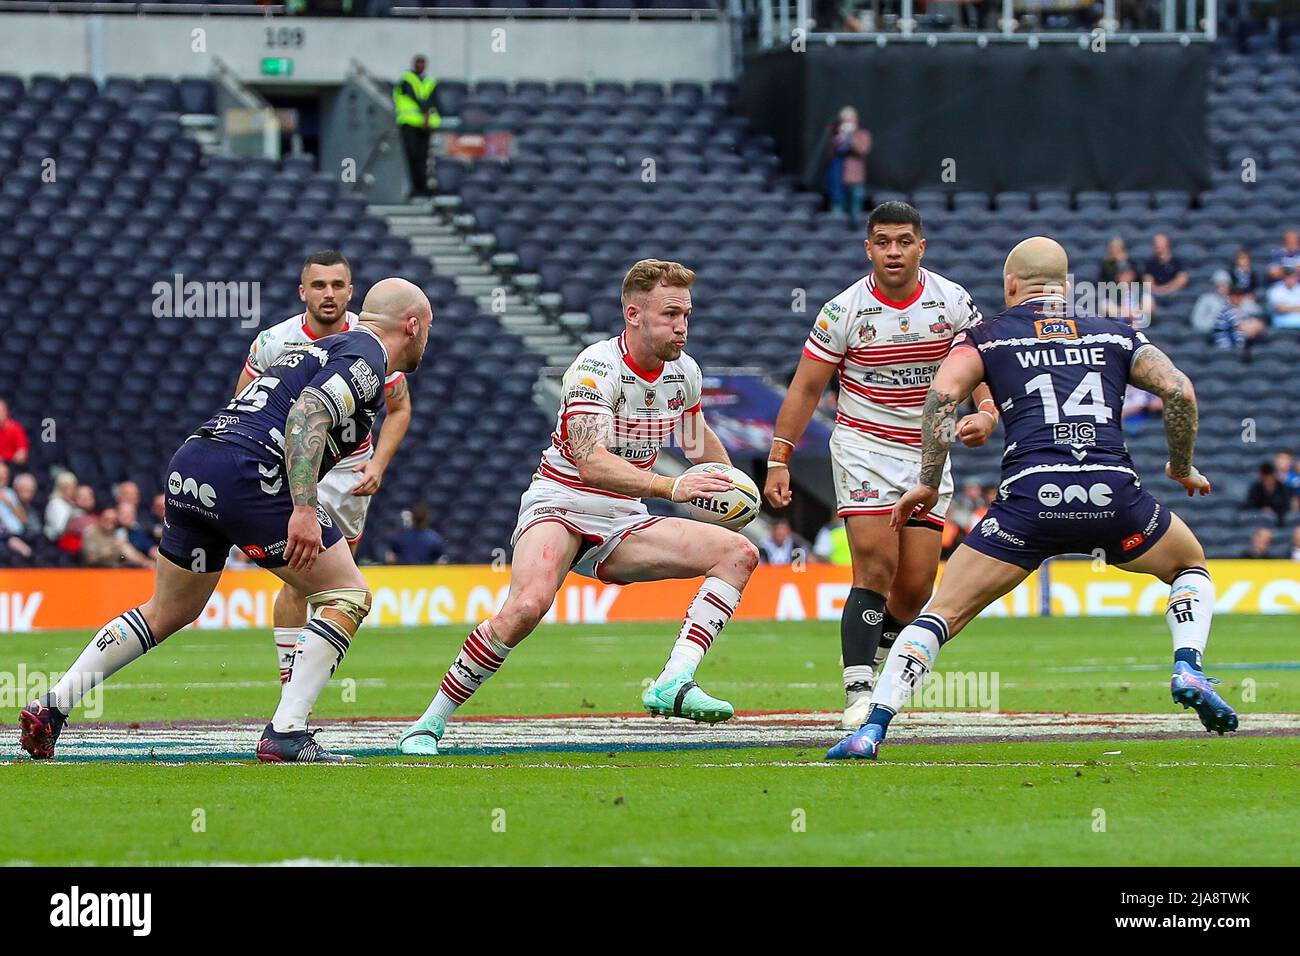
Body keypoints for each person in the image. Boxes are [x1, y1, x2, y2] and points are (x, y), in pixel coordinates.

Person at [829, 236, 1236, 760]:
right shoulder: (1116, 334)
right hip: (1113, 496)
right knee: (1190, 565)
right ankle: (1187, 664)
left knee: (940, 614)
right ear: (1066, 287)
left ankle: (871, 729)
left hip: (1029, 503)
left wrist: (928, 482)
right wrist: (1180, 466)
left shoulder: (987, 337)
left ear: (1010, 285)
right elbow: (1179, 389)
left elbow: (942, 397)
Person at [19, 278, 433, 763]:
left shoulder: (325, 348)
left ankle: (53, 707)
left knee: (169, 610)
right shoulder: (366, 359)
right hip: (249, 474)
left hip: (196, 461)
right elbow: (307, 415)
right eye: (429, 328)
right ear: (412, 325)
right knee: (348, 593)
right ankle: (288, 731)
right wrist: (302, 507)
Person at [397, 259, 760, 756]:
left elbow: (696, 439)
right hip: (560, 503)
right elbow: (590, 463)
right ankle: (428, 723)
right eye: (670, 314)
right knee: (526, 608)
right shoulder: (595, 369)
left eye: (686, 315)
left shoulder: (685, 374)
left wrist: (735, 486)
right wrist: (673, 488)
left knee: (738, 553)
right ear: (633, 314)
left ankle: (675, 680)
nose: (682, 326)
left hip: (623, 517)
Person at [763, 201, 995, 731]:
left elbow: (979, 365)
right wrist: (780, 458)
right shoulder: (842, 311)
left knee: (915, 588)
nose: (894, 251)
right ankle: (859, 687)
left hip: (928, 454)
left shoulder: (952, 301)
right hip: (864, 446)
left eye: (904, 241)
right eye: (883, 241)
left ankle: (872, 648)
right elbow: (806, 387)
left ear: (921, 247)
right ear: (868, 248)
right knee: (874, 566)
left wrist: (985, 410)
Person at [234, 251, 414, 684]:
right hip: (298, 471)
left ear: (351, 292)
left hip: (350, 474)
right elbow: (242, 404)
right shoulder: (274, 342)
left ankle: (306, 673)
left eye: (337, 285)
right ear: (303, 292)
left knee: (339, 582)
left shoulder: (373, 341)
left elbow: (400, 408)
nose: (328, 294)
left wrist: (379, 464)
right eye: (319, 285)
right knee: (301, 578)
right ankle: (290, 680)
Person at [393, 55, 440, 199]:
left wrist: (427, 117)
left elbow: (434, 100)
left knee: (423, 157)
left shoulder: (430, 82)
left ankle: (423, 188)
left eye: (423, 63)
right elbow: (413, 97)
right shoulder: (406, 79)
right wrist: (426, 112)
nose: (421, 65)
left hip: (425, 124)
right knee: (411, 156)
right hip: (409, 123)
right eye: (418, 63)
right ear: (414, 64)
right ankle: (414, 187)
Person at [825, 107, 872, 230]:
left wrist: (850, 138)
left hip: (855, 178)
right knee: (838, 207)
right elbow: (830, 155)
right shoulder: (838, 136)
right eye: (845, 121)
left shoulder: (863, 135)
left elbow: (862, 150)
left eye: (850, 120)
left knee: (856, 208)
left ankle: (856, 232)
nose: (848, 123)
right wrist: (838, 139)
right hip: (838, 179)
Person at [82, 507, 151, 569]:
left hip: (115, 572)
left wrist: (145, 562)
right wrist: (111, 548)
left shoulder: (117, 534)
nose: (110, 522)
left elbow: (130, 553)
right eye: (107, 519)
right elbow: (90, 559)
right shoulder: (91, 533)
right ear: (100, 518)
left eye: (113, 520)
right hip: (94, 572)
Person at [1142, 233, 1189, 299]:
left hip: (1175, 294)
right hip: (1155, 295)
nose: (1160, 250)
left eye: (1163, 247)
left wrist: (1165, 290)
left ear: (1168, 246)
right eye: (1157, 247)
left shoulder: (1177, 262)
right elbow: (1148, 281)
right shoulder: (1150, 264)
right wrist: (1159, 291)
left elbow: (1182, 279)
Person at [43, 471, 78, 541]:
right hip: (56, 541)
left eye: (73, 487)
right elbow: (60, 528)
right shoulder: (56, 503)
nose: (72, 490)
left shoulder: (73, 503)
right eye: (68, 487)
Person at [1265, 265, 1300, 329]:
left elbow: (1284, 308)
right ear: (1284, 278)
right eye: (1288, 277)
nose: (1291, 279)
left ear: (1297, 278)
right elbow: (1280, 309)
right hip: (1281, 320)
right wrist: (1296, 308)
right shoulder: (1275, 289)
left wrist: (1287, 308)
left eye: (1293, 277)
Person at [0, 399, 29, 467]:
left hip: (11, 466)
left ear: (6, 412)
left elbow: (22, 453)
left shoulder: (15, 428)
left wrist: (11, 459)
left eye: (1, 411)